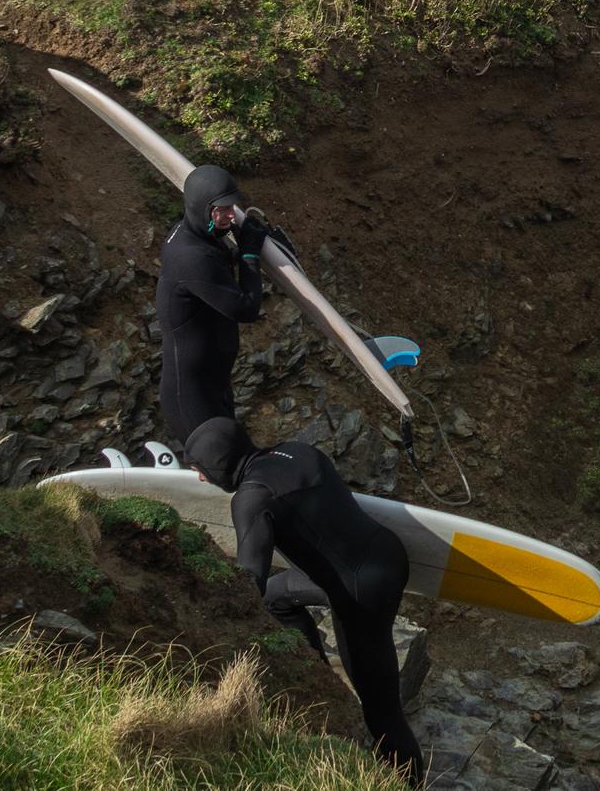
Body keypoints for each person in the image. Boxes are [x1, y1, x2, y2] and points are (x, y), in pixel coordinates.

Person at [189, 418, 426, 777]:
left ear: (218, 464)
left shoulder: (251, 498)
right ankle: (313, 674)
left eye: (201, 470)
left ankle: (410, 783)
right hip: (383, 552)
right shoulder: (297, 451)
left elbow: (248, 583)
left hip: (360, 593)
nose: (200, 479)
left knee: (382, 713)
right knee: (276, 598)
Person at [155, 164, 267, 445]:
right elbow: (246, 308)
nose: (231, 215)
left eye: (233, 206)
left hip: (212, 383)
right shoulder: (191, 256)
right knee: (219, 470)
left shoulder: (197, 233)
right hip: (192, 396)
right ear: (201, 208)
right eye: (222, 209)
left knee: (230, 460)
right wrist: (250, 255)